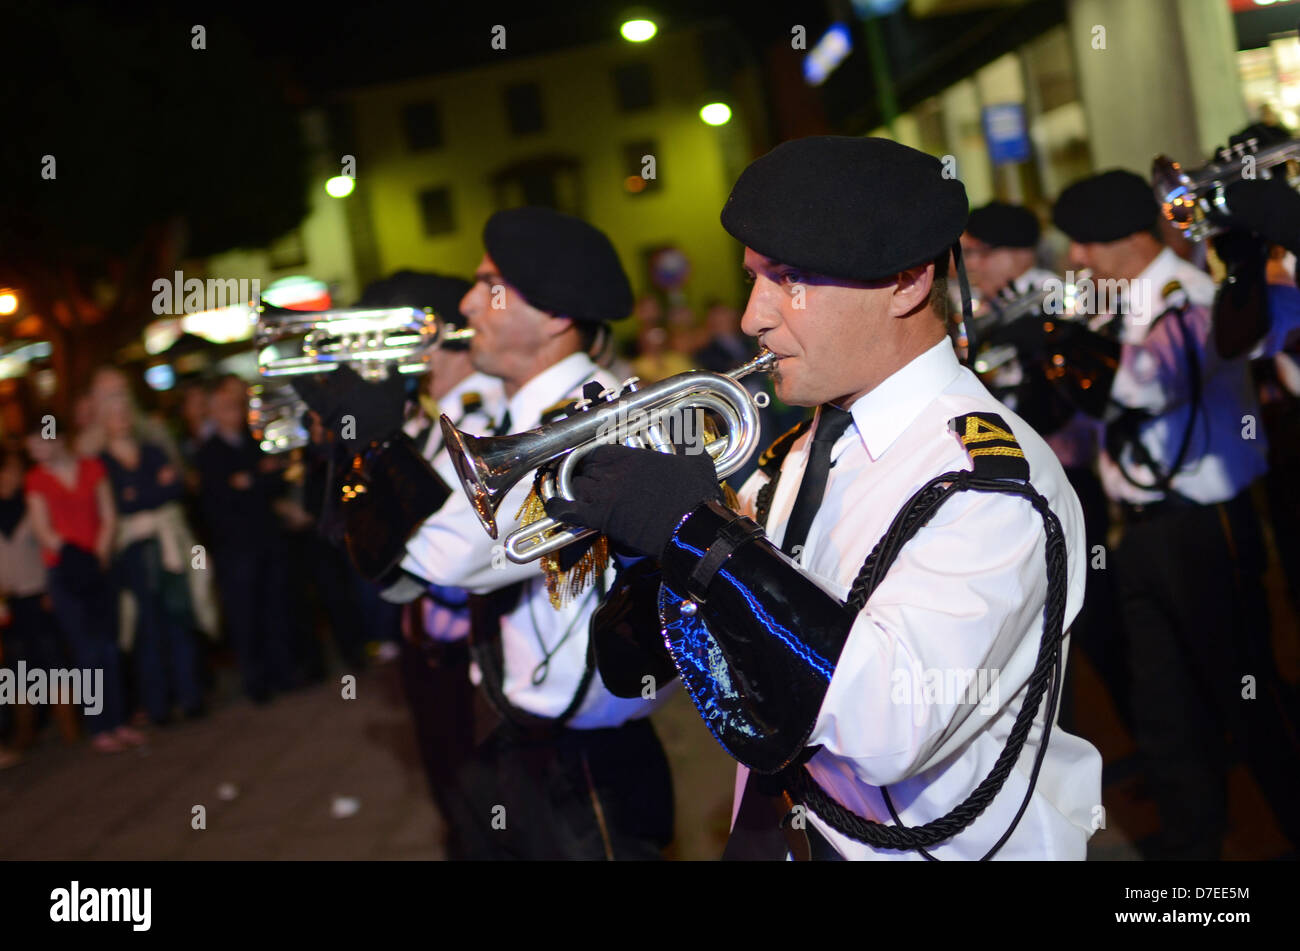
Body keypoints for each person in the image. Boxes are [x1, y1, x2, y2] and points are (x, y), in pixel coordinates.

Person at [546, 136, 1103, 860]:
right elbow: (648, 675)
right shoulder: (798, 452)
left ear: (906, 282)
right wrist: (649, 551)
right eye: (754, 278)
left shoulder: (990, 483)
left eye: (791, 280)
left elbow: (886, 725)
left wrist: (695, 531)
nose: (753, 317)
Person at [301, 208, 675, 860]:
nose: (468, 301)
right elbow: (384, 557)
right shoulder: (512, 416)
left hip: (588, 767)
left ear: (556, 316)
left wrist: (381, 441)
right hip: (524, 740)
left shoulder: (588, 419)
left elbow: (442, 557)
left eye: (491, 284)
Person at [1052, 167, 1299, 858]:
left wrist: (1067, 346)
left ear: (1119, 237)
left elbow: (1141, 390)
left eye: (1084, 242)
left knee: (1249, 699)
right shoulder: (1120, 299)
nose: (1076, 258)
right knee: (1165, 706)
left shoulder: (1184, 294)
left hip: (1204, 522)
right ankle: (1193, 850)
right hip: (1143, 527)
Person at [24, 419, 141, 753]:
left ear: (59, 439)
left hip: (97, 565)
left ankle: (119, 719)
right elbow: (43, 529)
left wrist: (99, 553)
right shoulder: (37, 481)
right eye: (34, 447)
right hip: (67, 572)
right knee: (86, 650)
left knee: (109, 646)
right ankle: (99, 725)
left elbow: (108, 513)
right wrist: (77, 556)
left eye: (43, 442)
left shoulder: (91, 468)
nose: (39, 451)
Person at [98, 382, 204, 724]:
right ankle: (158, 705)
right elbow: (120, 503)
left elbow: (173, 489)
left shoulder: (152, 450)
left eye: (125, 411)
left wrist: (140, 495)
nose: (122, 418)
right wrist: (150, 491)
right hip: (134, 553)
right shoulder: (102, 464)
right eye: (114, 414)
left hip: (168, 546)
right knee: (148, 626)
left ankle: (190, 696)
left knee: (180, 617)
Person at [195, 376, 298, 702]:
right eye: (224, 407)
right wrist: (253, 481)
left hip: (267, 538)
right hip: (236, 548)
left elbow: (271, 480)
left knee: (276, 608)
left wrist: (249, 481)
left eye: (235, 406)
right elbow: (219, 499)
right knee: (245, 615)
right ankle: (257, 682)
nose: (233, 413)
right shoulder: (209, 453)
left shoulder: (252, 442)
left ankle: (283, 673)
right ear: (212, 411)